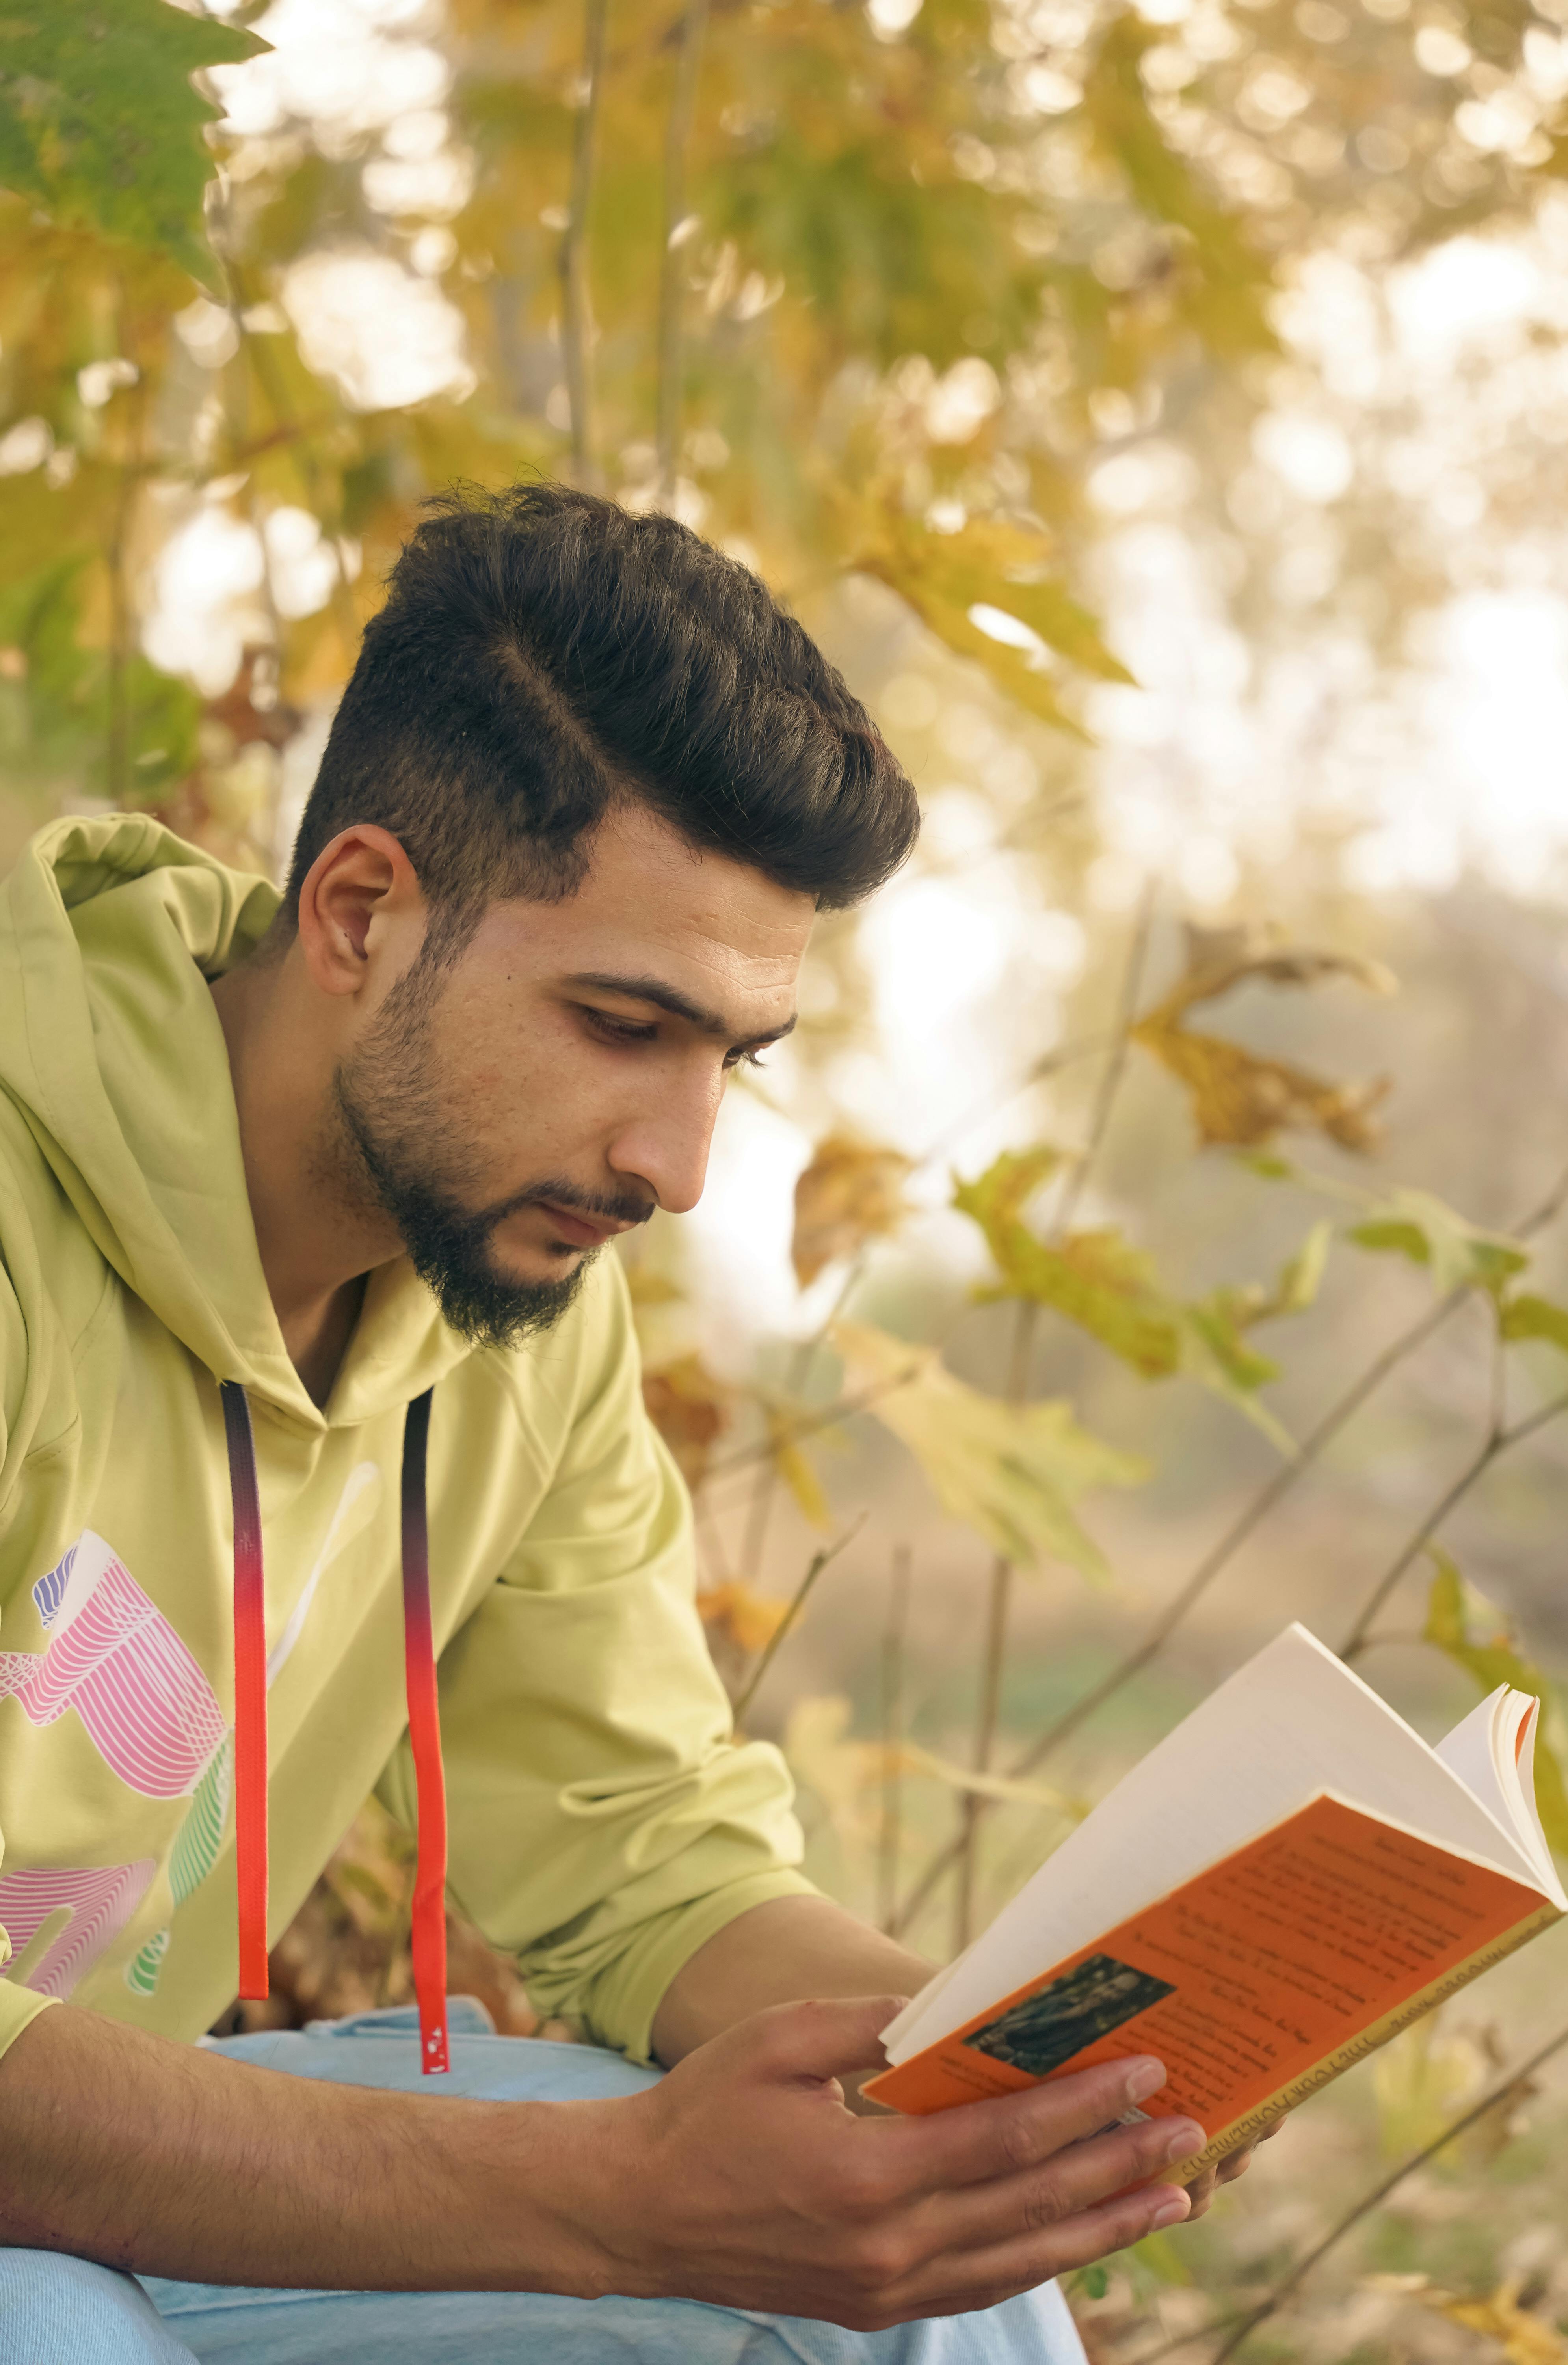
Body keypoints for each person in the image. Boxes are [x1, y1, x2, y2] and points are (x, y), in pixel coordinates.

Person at [0, 483, 1259, 2364]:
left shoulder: (511, 1300)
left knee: (920, 2286)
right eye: (620, 1024)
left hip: (125, 2193)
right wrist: (607, 2205)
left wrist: (1005, 2086)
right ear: (361, 908)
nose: (677, 1166)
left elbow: (640, 1853)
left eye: (731, 1060)